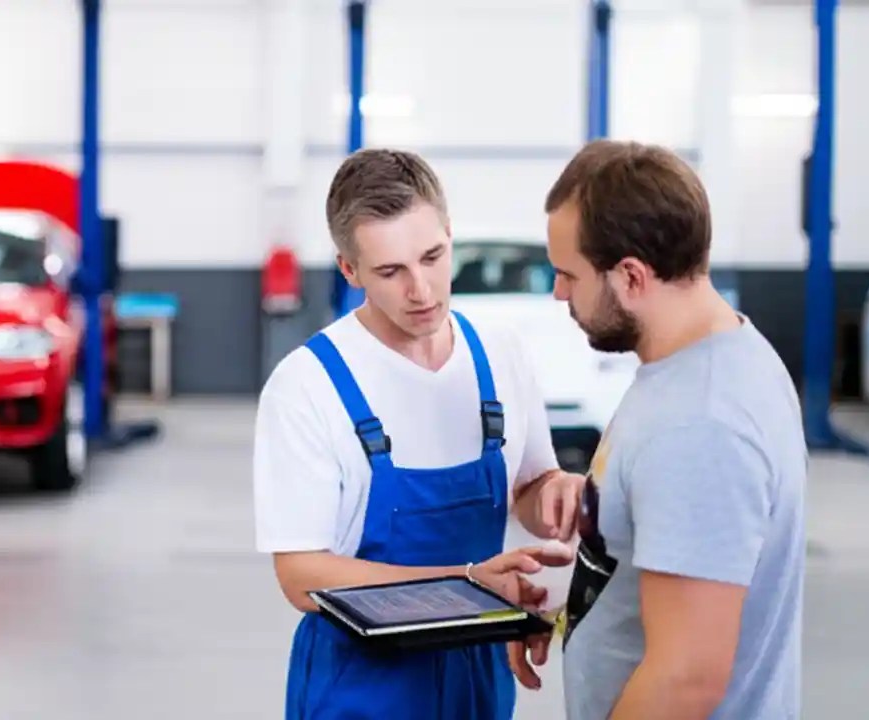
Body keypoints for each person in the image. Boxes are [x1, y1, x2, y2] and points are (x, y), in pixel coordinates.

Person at [253, 147, 573, 720]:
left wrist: (552, 495)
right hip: (362, 684)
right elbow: (301, 577)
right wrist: (469, 582)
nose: (421, 290)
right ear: (349, 270)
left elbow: (529, 487)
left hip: (479, 670)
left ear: (451, 234)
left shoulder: (500, 355)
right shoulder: (308, 385)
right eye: (390, 271)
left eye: (433, 257)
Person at [508, 139, 807, 719]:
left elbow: (685, 679)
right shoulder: (710, 354)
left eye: (569, 275)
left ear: (631, 277)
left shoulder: (699, 424)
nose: (558, 292)